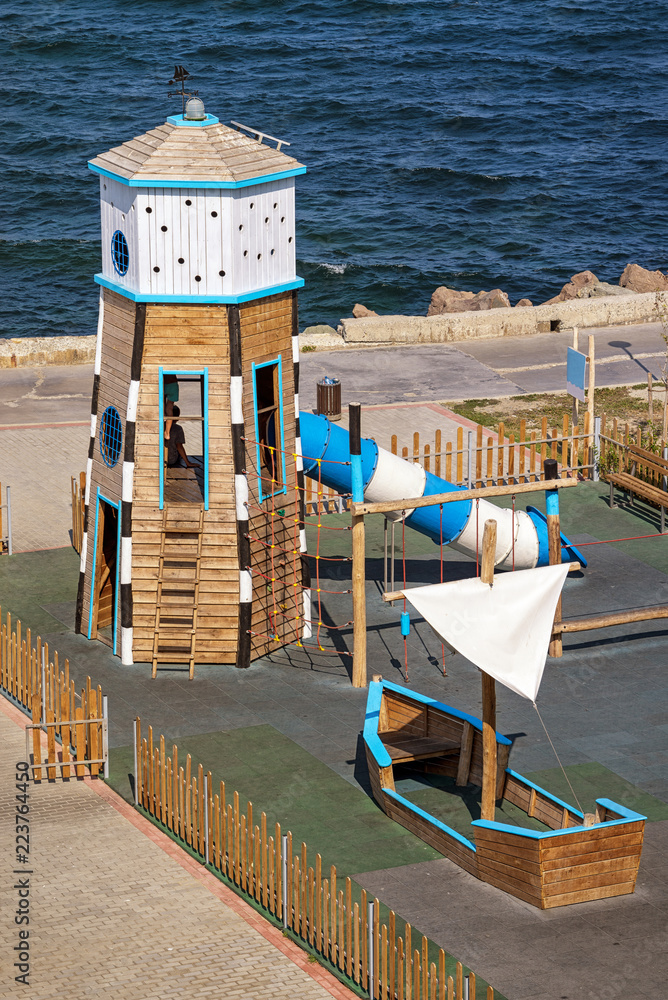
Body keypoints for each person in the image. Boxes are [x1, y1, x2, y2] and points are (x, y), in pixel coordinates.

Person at [163, 374, 179, 440]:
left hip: (163, 383)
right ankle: (167, 432)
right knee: (169, 408)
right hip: (173, 384)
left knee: (162, 407)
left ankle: (165, 428)